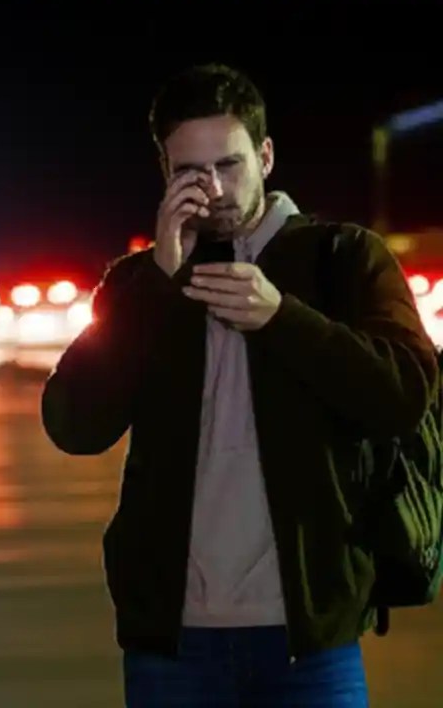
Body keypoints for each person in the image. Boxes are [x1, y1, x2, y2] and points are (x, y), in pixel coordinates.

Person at [40, 63, 438, 706]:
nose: (215, 188)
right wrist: (160, 279)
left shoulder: (343, 257)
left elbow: (404, 397)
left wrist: (283, 319)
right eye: (190, 173)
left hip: (311, 639)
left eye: (230, 165)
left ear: (266, 155)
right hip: (171, 643)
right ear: (166, 176)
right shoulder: (141, 282)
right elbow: (73, 423)